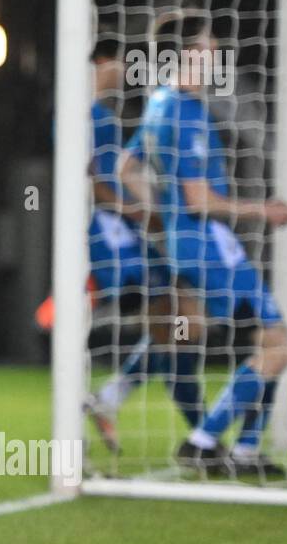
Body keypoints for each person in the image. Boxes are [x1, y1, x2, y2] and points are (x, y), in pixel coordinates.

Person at [120, 11, 287, 477]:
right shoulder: (186, 111)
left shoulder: (158, 105)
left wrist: (157, 214)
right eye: (208, 47)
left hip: (188, 244)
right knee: (277, 346)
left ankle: (244, 451)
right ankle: (203, 441)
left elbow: (126, 168)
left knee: (269, 343)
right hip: (210, 245)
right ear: (188, 54)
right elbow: (199, 199)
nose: (216, 54)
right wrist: (265, 211)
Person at [83, 38, 206, 453]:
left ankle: (114, 400)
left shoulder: (105, 116)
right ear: (103, 61)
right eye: (121, 62)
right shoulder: (81, 114)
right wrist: (131, 210)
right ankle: (205, 434)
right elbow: (85, 180)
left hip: (130, 231)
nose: (125, 71)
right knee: (176, 324)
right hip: (111, 237)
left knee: (178, 327)